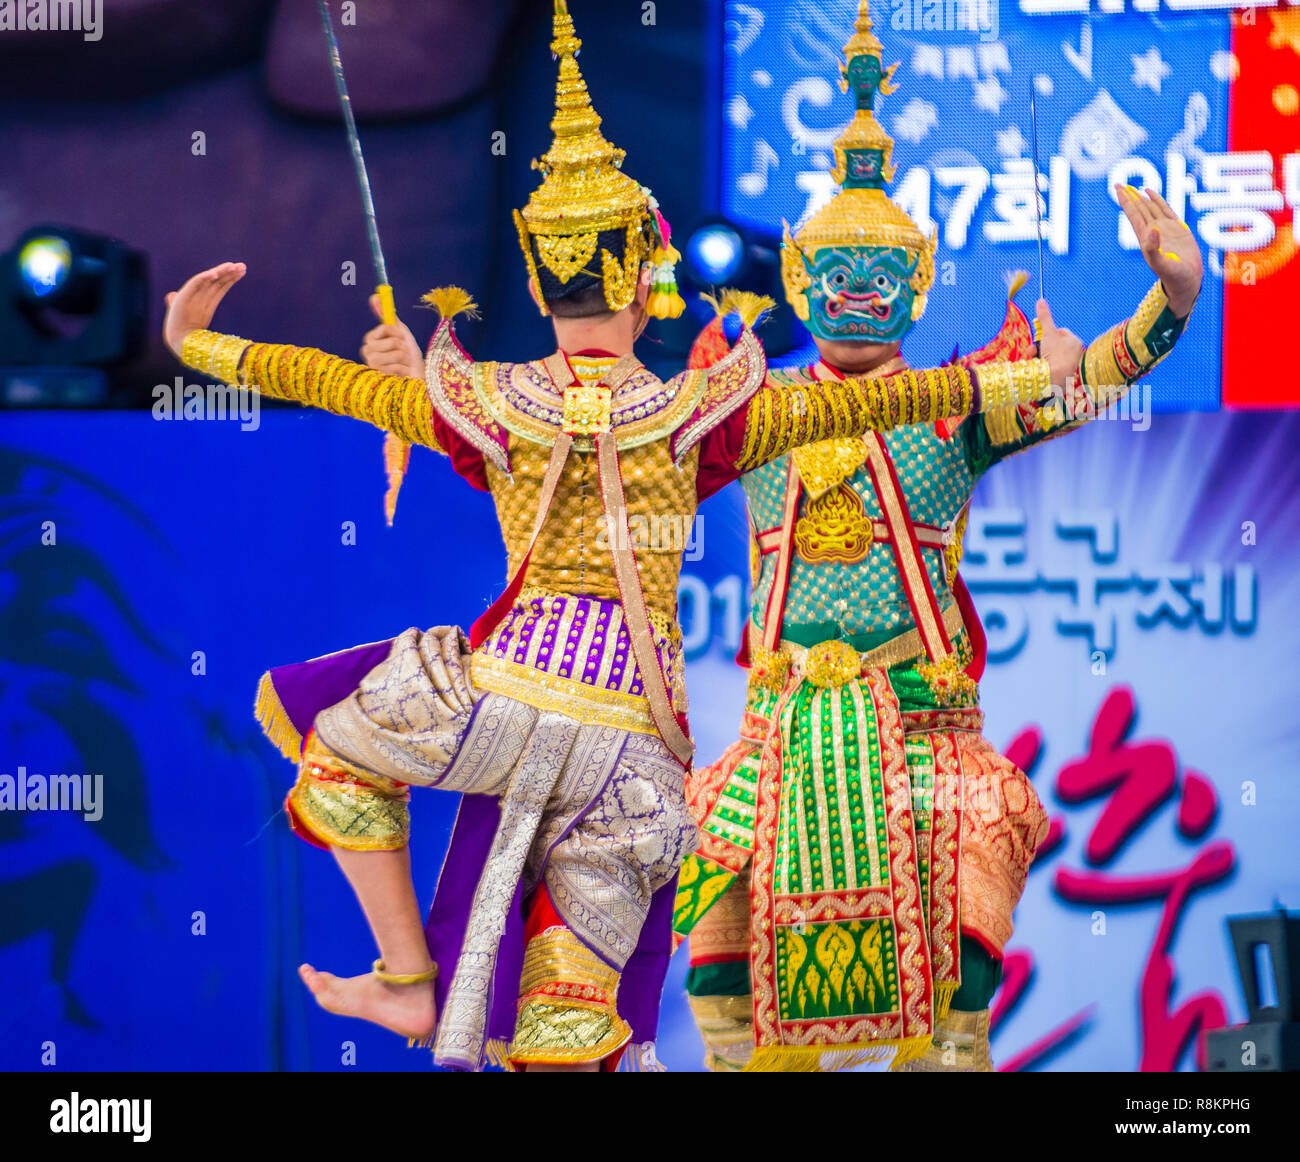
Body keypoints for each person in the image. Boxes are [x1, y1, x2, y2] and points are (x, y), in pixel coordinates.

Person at [163, 0, 1075, 1072]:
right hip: (637, 759)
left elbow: (332, 383)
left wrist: (200, 346)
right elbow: (872, 400)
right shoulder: (707, 409)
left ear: (540, 274)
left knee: (335, 744)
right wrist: (1029, 374)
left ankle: (408, 976)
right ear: (650, 276)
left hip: (501, 704)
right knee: (566, 1030)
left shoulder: (490, 400)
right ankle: (440, 992)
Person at [670, 4, 1203, 1072]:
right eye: (836, 275)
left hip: (921, 727)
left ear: (913, 286)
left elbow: (1092, 376)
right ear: (799, 283)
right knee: (717, 978)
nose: (856, 294)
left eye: (880, 278)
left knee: (965, 935)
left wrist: (1174, 293)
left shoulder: (956, 406)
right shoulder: (745, 408)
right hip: (780, 733)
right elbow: (609, 442)